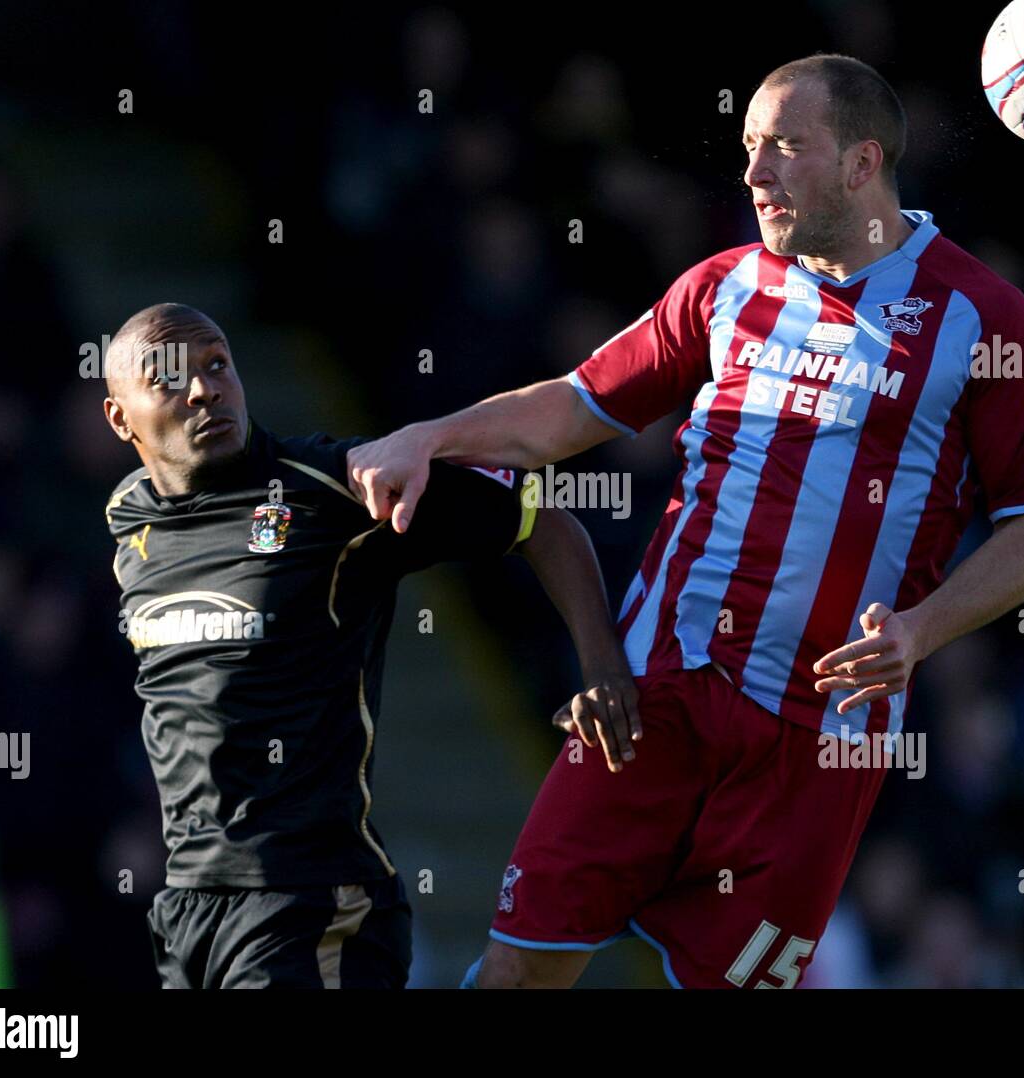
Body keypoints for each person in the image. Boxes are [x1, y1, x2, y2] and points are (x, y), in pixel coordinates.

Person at [347, 54, 1024, 989]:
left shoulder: (988, 320)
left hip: (818, 740)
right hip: (652, 699)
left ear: (861, 163)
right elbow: (573, 406)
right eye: (748, 148)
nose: (754, 173)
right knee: (519, 971)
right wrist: (431, 435)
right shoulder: (726, 287)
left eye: (783, 148)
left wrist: (922, 633)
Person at [102, 302, 636, 988]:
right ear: (121, 418)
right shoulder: (129, 518)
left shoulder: (335, 488)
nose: (204, 389)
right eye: (170, 377)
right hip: (189, 907)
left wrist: (600, 666)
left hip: (311, 901)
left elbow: (540, 515)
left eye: (217, 366)